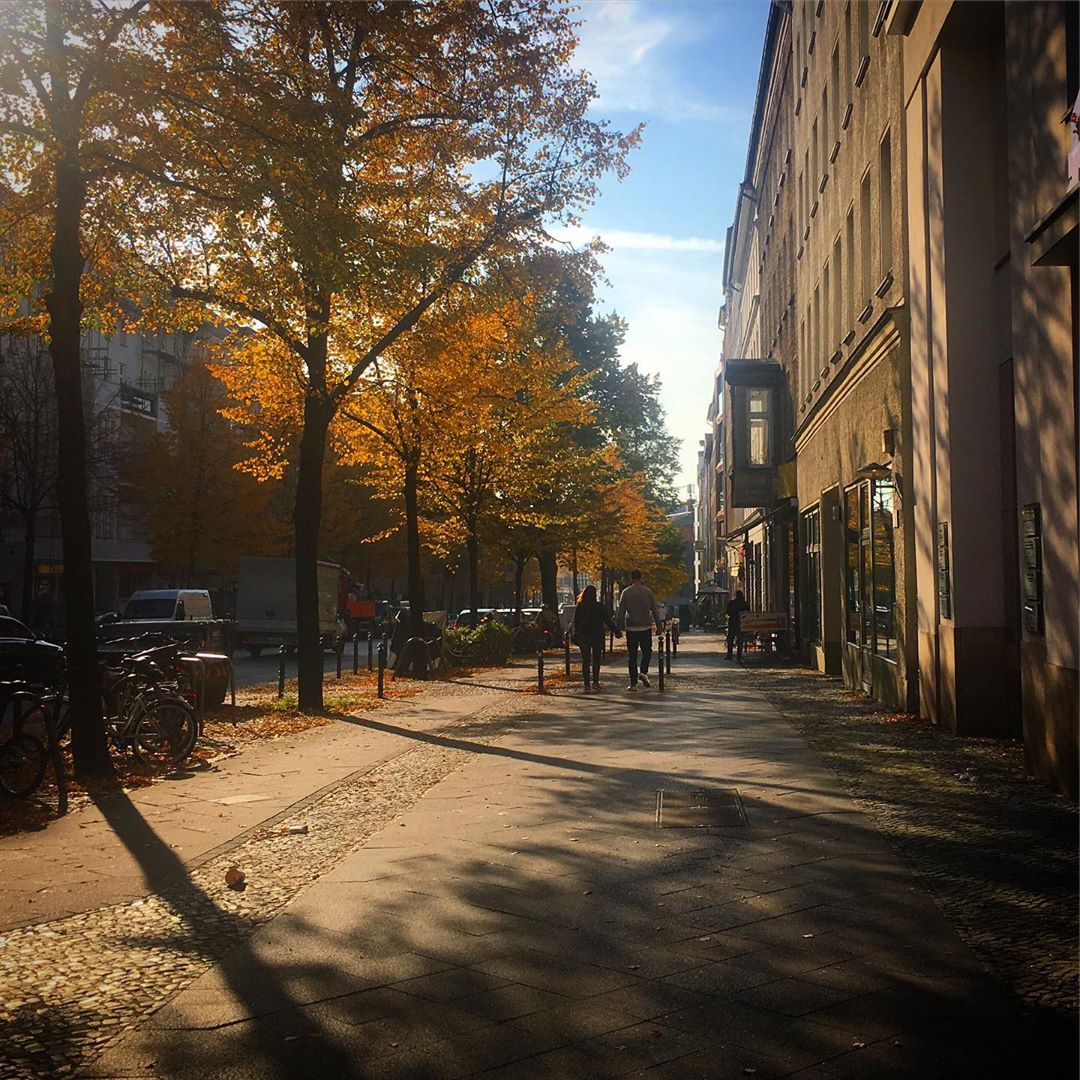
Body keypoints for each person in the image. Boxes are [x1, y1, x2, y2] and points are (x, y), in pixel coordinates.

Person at [616, 569, 663, 690]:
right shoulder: (648, 592)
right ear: (640, 578)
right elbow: (655, 610)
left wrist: (619, 628)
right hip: (645, 626)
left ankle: (633, 683)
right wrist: (659, 626)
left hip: (631, 627)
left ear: (631, 579)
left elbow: (621, 611)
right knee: (647, 651)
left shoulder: (626, 593)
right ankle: (643, 671)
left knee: (632, 655)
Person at [571, 585, 619, 692]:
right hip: (597, 635)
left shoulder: (580, 606)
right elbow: (607, 620)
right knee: (596, 659)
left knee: (586, 661)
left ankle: (586, 685)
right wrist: (616, 631)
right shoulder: (599, 607)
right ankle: (595, 682)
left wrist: (577, 633)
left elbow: (576, 622)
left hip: (584, 635)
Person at [725, 589, 751, 661]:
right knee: (740, 640)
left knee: (730, 639)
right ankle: (739, 655)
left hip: (733, 623)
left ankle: (729, 655)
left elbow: (728, 612)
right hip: (741, 624)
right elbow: (747, 613)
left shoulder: (732, 603)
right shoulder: (745, 604)